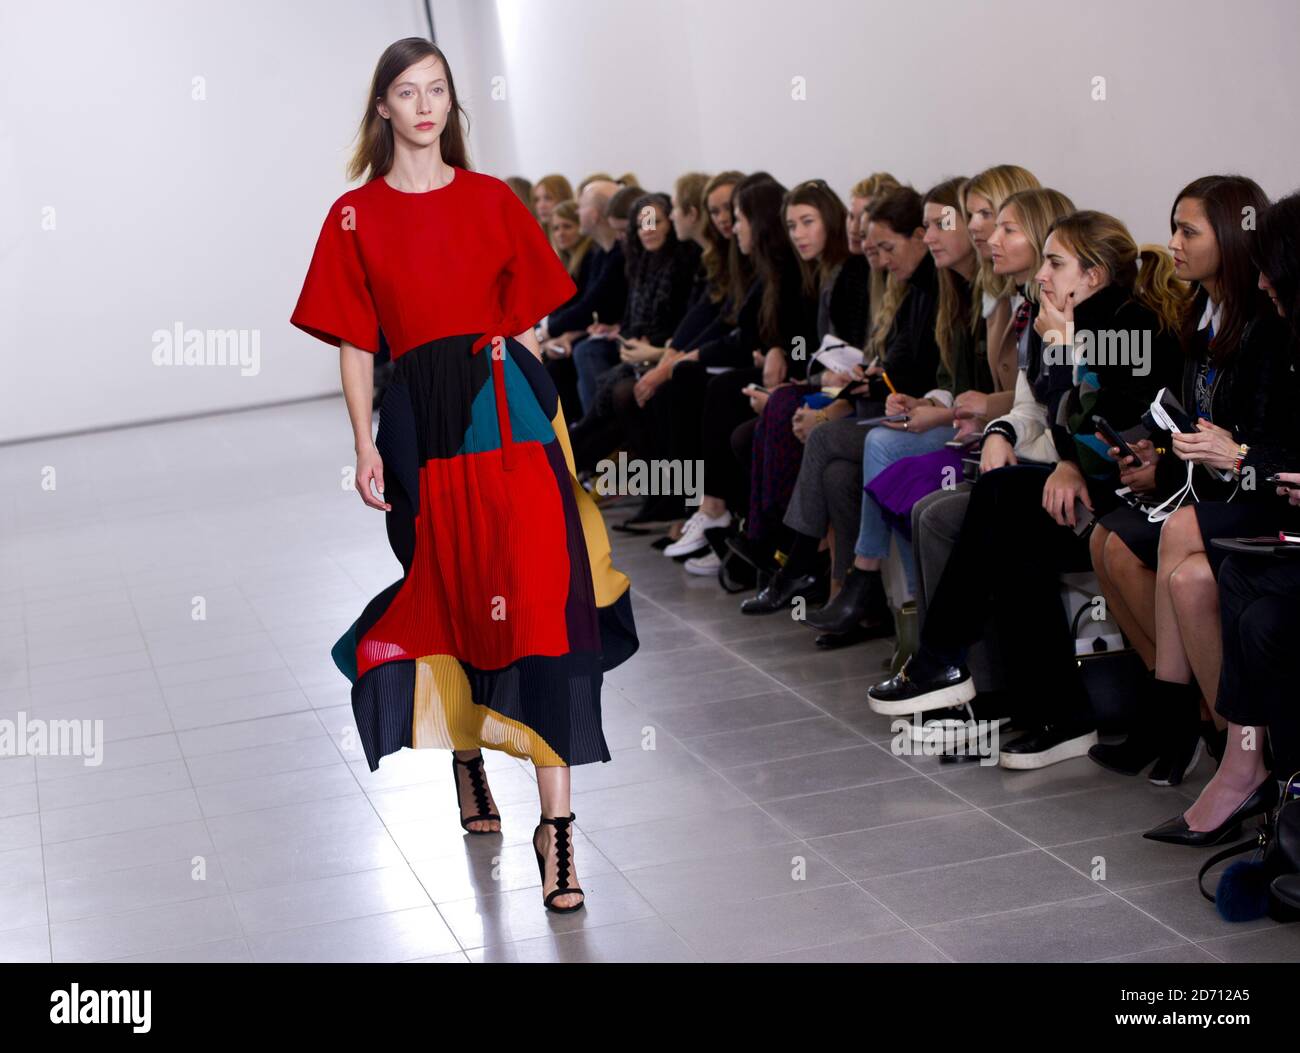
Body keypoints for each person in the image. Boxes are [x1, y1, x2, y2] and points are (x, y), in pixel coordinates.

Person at [289, 39, 639, 914]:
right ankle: (466, 753)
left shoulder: (490, 200)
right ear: (382, 108)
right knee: (447, 588)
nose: (424, 105)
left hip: (502, 408)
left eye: (437, 90)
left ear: (452, 102)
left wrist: (544, 430)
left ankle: (558, 831)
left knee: (543, 594)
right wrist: (364, 444)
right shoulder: (353, 217)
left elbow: (525, 328)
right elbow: (354, 339)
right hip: (414, 420)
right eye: (406, 93)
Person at [870, 201, 1189, 770]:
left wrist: (1065, 352)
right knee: (1009, 529)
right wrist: (1030, 428)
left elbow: (1098, 437)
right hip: (1087, 492)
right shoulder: (1058, 322)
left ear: (1091, 275)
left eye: (1055, 263)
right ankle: (1049, 711)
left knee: (1001, 501)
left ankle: (947, 665)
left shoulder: (1130, 326)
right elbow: (1049, 418)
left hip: (1137, 498)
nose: (1042, 276)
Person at [1089, 176, 1299, 786]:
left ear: (1231, 238)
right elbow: (1204, 431)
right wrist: (1161, 457)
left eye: (1189, 230)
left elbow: (1253, 445)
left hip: (1256, 498)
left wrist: (1223, 456)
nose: (1173, 243)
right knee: (1106, 539)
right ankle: (1196, 721)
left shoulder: (1266, 327)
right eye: (1174, 227)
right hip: (1224, 486)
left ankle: (1197, 726)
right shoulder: (1199, 315)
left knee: (1161, 553)